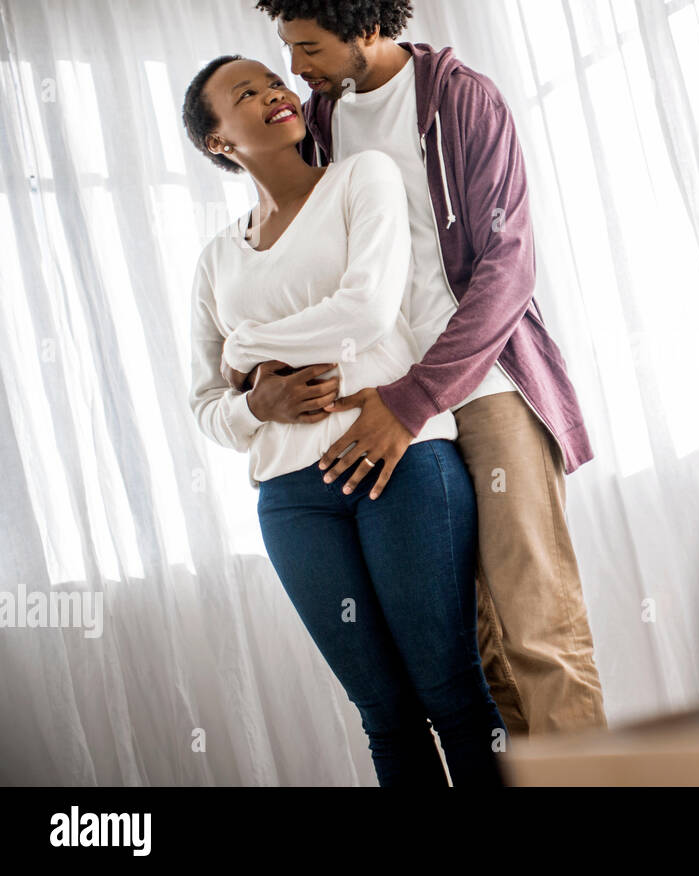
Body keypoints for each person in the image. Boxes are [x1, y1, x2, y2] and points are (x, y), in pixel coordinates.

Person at [249, 0, 606, 735]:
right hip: (395, 407)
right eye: (288, 48)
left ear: (366, 27)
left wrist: (413, 399)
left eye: (308, 47)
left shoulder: (462, 99)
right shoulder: (320, 125)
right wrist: (258, 378)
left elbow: (508, 269)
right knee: (475, 653)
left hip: (481, 389)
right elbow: (291, 259)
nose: (295, 68)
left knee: (538, 631)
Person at [184, 53, 506, 786]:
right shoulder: (214, 262)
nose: (275, 92)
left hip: (400, 462)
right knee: (385, 716)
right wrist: (256, 405)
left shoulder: (362, 179)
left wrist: (247, 347)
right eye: (246, 93)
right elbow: (205, 404)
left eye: (274, 81)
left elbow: (366, 311)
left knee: (453, 693)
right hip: (293, 498)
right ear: (217, 141)